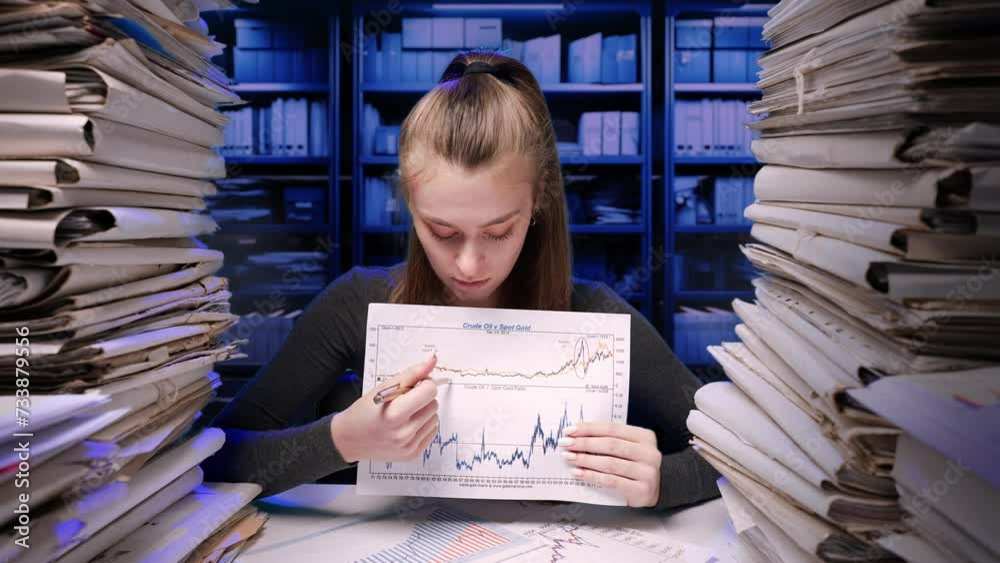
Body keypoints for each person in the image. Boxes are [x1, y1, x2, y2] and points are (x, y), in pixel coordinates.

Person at [202, 51, 720, 511]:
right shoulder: (358, 302)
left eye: (499, 231)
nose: (469, 265)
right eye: (441, 231)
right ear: (408, 201)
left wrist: (661, 481)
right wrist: (341, 440)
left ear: (538, 202)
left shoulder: (598, 314)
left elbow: (730, 457)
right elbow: (215, 457)